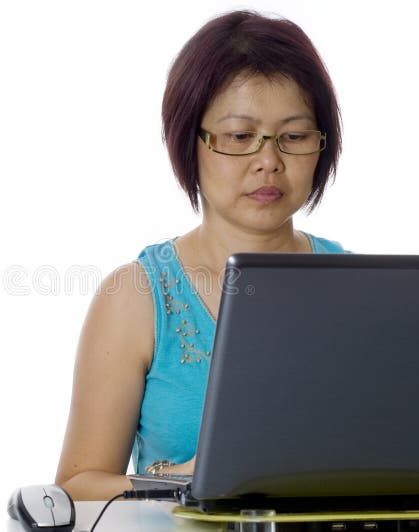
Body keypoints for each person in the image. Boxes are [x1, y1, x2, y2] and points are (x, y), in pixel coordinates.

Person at [55, 10, 349, 501]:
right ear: (189, 141)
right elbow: (76, 488)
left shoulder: (360, 288)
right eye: (239, 136)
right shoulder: (137, 298)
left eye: (294, 136)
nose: (268, 160)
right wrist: (190, 476)